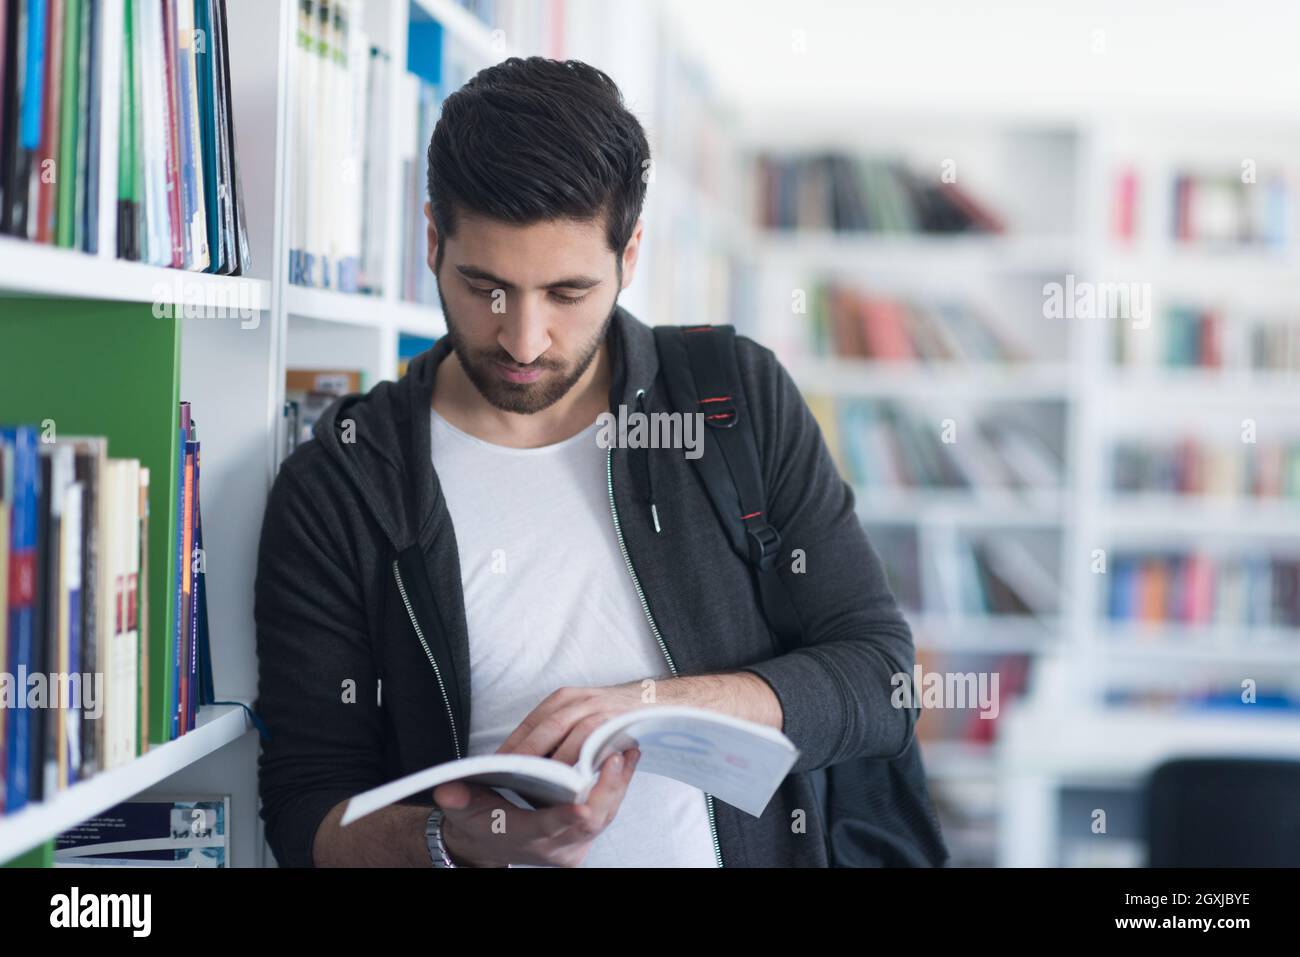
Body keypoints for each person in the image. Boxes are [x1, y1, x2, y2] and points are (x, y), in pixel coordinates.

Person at [255, 56, 927, 868]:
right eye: (485, 285)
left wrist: (669, 704)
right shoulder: (344, 482)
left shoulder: (731, 400)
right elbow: (306, 809)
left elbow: (881, 675)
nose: (523, 339)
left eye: (568, 293)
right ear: (432, 239)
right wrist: (451, 840)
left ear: (630, 256)